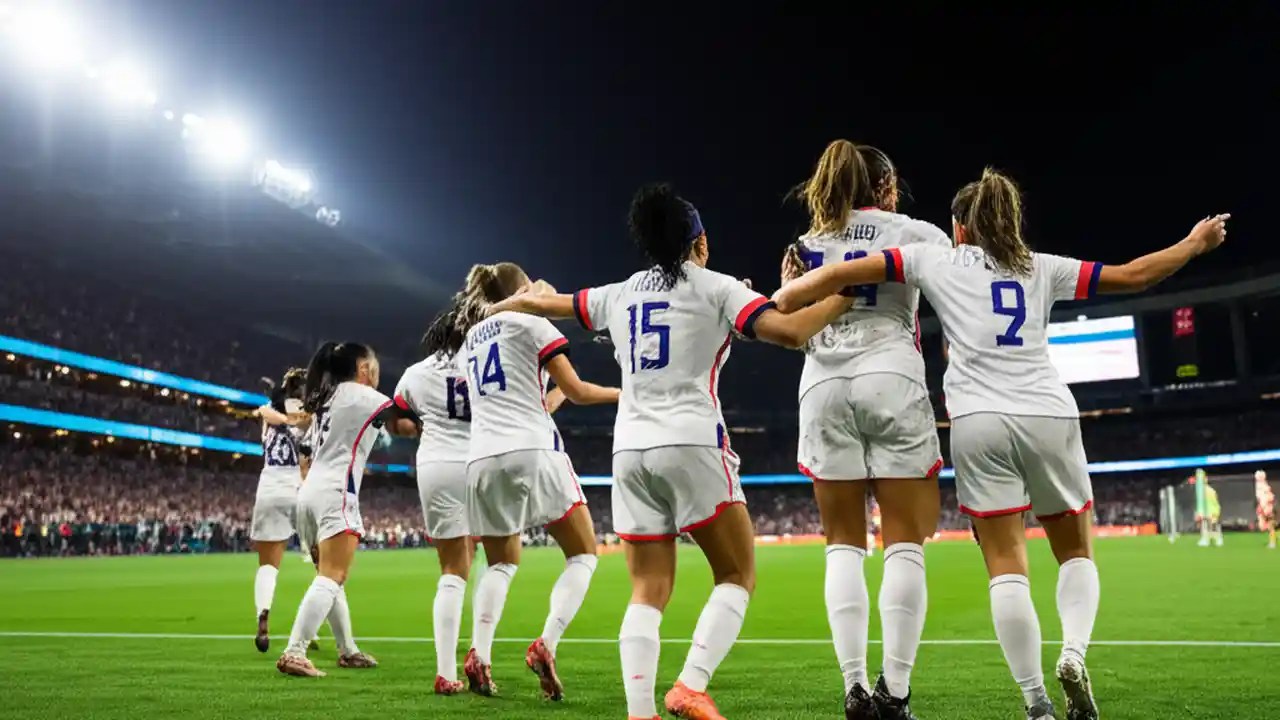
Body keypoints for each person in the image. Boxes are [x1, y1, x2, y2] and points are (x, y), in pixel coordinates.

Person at [773, 167, 1229, 720]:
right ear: (1011, 221)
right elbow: (1134, 275)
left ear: (960, 228)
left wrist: (791, 289)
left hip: (976, 421)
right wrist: (1194, 243)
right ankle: (1074, 652)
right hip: (1047, 413)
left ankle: (1036, 703)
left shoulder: (934, 259)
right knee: (1076, 551)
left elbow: (845, 273)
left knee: (1006, 566)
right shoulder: (1041, 267)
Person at [487, 183, 854, 720]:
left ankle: (640, 712)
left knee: (648, 588)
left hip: (629, 451)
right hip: (692, 441)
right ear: (700, 242)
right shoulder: (718, 287)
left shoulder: (622, 291)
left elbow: (559, 304)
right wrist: (843, 294)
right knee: (736, 576)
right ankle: (690, 685)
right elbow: (792, 331)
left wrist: (515, 301)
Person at [782, 139, 947, 719]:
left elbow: (792, 327)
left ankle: (852, 687)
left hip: (823, 386)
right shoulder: (920, 233)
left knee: (843, 545)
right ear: (885, 188)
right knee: (904, 541)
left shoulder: (806, 244)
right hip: (892, 377)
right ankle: (894, 694)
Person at [452, 262, 618, 701]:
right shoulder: (532, 323)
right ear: (525, 289)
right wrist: (628, 393)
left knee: (501, 564)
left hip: (482, 456)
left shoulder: (470, 338)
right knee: (583, 553)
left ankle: (478, 655)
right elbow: (578, 390)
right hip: (534, 448)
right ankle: (546, 642)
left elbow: (533, 398)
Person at [393, 292, 567, 694]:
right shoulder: (488, 359)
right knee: (500, 560)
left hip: (436, 465)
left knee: (452, 572)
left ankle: (445, 672)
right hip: (480, 460)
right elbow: (529, 405)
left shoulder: (417, 372)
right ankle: (480, 651)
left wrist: (421, 428)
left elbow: (396, 419)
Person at [276, 341, 420, 677]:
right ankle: (294, 651)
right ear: (364, 369)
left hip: (310, 491)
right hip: (336, 491)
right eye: (375, 367)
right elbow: (405, 421)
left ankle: (347, 650)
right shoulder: (363, 396)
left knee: (329, 577)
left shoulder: (327, 398)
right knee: (333, 575)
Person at [249, 367, 307, 652]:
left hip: (269, 485)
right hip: (298, 485)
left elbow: (264, 411)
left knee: (268, 566)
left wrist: (275, 414)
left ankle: (263, 615)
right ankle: (322, 633)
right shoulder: (308, 416)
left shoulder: (268, 415)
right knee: (327, 567)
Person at [1256, 470, 1276, 549]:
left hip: (1266, 508)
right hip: (1264, 507)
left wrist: (1263, 506)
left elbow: (1270, 497)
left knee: (1270, 525)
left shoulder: (1263, 486)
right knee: (1264, 526)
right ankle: (1273, 539)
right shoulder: (1260, 486)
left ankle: (1272, 542)